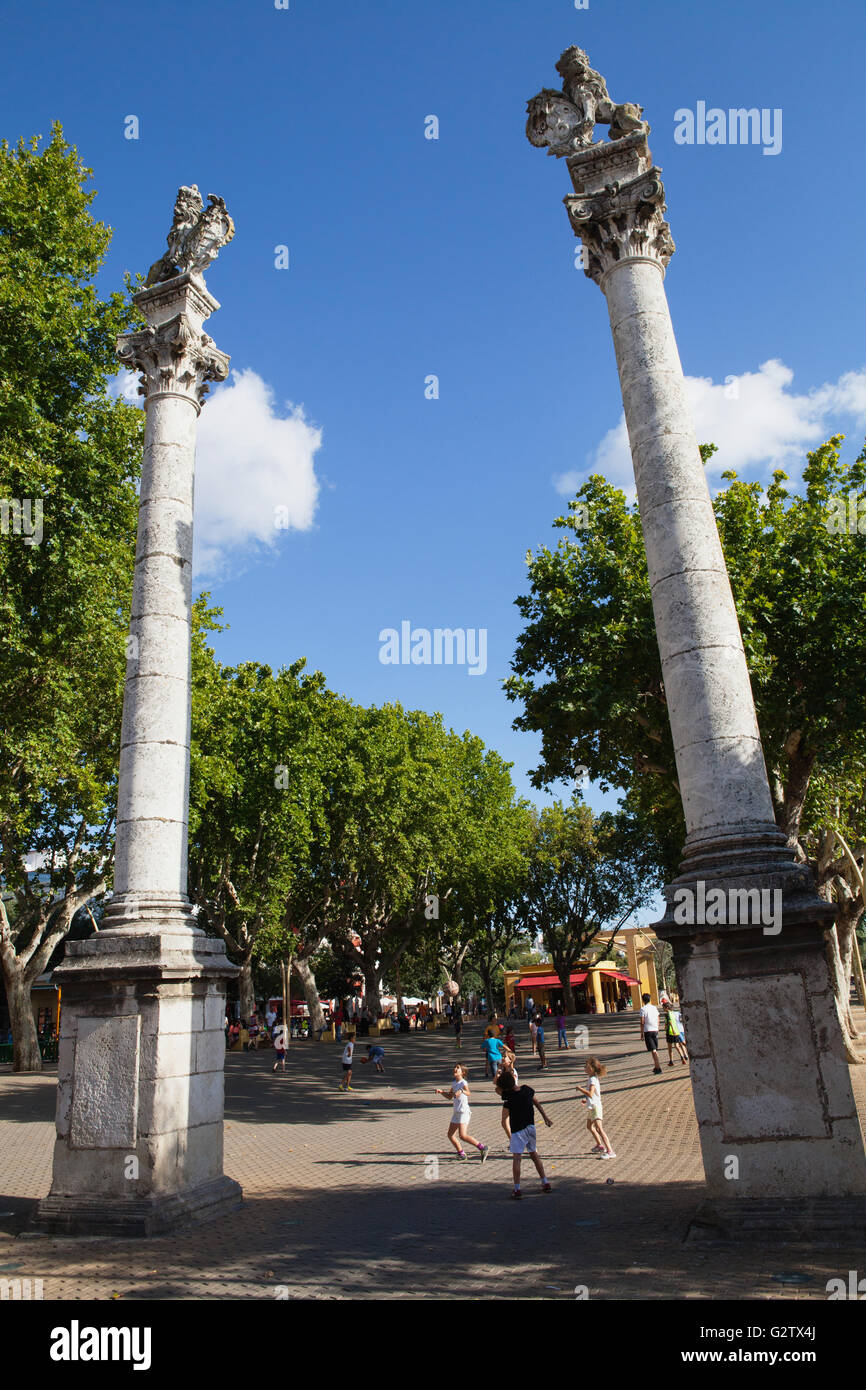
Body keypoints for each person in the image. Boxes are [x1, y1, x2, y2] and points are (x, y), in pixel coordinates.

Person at [496, 1069, 553, 1199]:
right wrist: (545, 1117)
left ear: (505, 1087)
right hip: (531, 1127)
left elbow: (498, 1092)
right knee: (534, 1154)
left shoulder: (508, 1098)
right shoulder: (527, 1090)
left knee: (517, 1158)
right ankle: (545, 1182)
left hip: (517, 1131)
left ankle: (517, 1189)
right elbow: (536, 1103)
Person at [434, 1065, 489, 1163]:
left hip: (463, 1112)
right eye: (455, 1067)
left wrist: (462, 1091)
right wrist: (441, 1092)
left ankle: (482, 1148)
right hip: (456, 1112)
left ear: (463, 1072)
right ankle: (461, 1153)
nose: (455, 1069)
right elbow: (450, 1096)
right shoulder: (454, 1083)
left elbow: (468, 1093)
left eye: (458, 1068)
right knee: (450, 1135)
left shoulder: (463, 1082)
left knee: (463, 1135)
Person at [576, 1056, 615, 1158]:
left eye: (586, 1066)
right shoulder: (591, 1078)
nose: (585, 1068)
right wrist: (587, 1100)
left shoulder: (593, 1079)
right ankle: (599, 1145)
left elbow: (590, 1093)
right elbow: (592, 1095)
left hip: (595, 1107)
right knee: (589, 1126)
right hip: (592, 1106)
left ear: (592, 1068)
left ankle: (610, 1150)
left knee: (599, 1128)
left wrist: (580, 1089)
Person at [639, 992, 663, 1074]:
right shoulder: (654, 1008)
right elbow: (658, 1018)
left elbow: (642, 1022)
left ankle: (658, 1067)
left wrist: (641, 1033)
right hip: (655, 1030)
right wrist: (657, 1028)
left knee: (653, 1050)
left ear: (643, 1000)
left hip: (648, 1031)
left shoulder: (643, 1009)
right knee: (654, 1049)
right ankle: (656, 1066)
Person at [662, 997, 689, 1066]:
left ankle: (671, 1061)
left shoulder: (667, 1014)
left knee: (670, 1047)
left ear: (667, 1008)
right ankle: (682, 1057)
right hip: (676, 1031)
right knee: (677, 1045)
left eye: (663, 1008)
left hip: (670, 1032)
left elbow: (670, 1022)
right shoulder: (674, 1013)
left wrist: (670, 1029)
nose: (663, 1009)